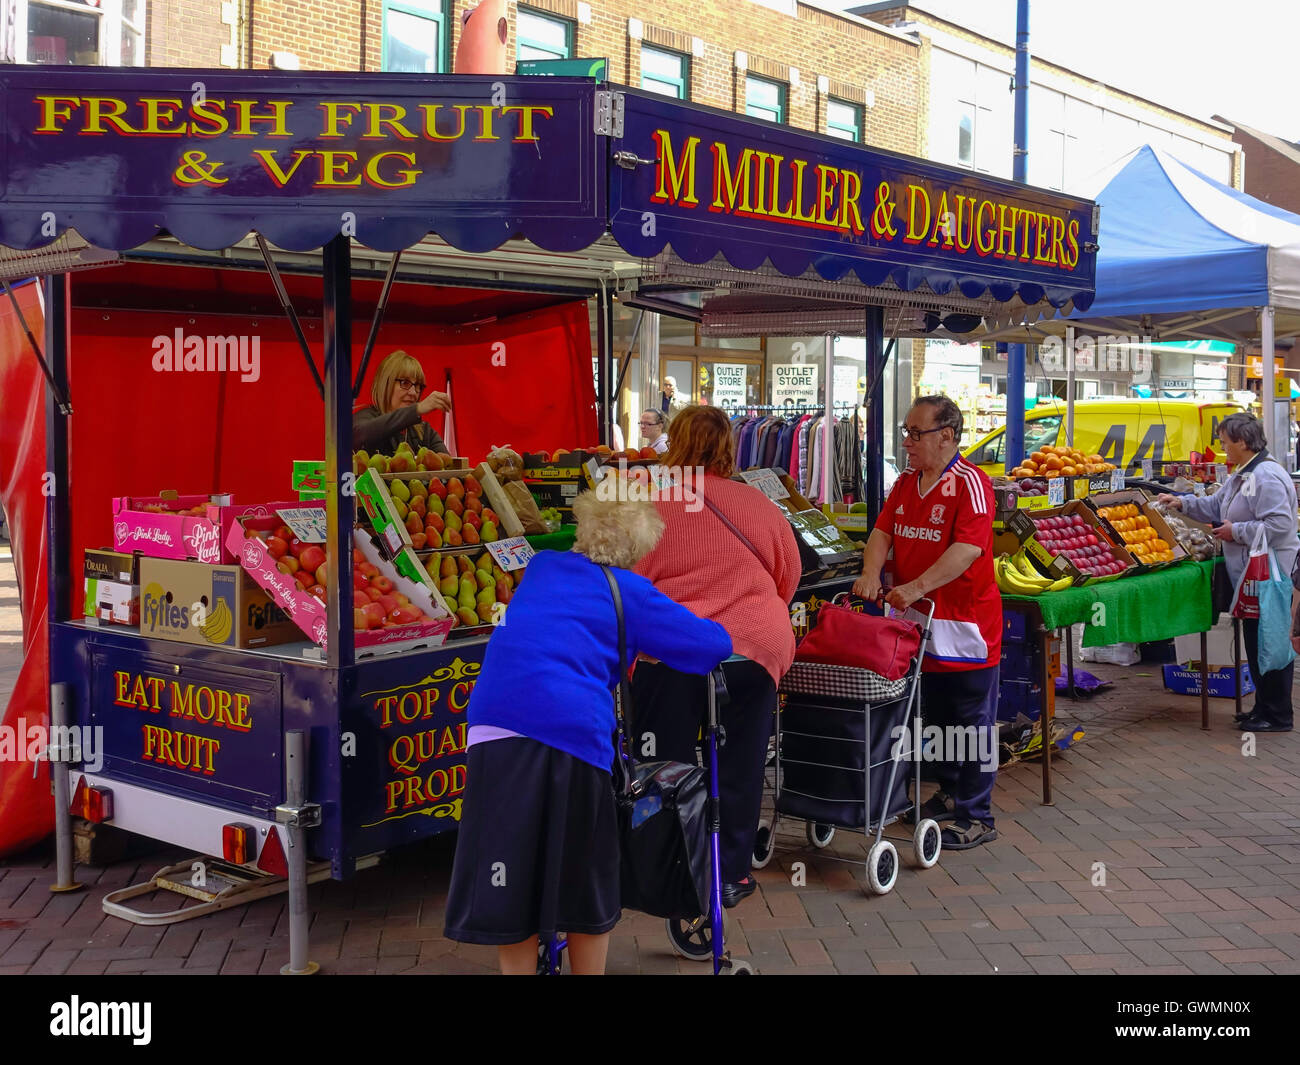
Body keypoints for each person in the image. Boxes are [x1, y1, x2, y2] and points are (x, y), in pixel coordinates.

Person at [443, 488, 732, 974]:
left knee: (511, 871)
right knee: (584, 874)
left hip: (494, 726)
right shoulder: (631, 592)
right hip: (571, 731)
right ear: (638, 552)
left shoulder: (542, 567)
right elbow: (710, 647)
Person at [632, 405, 802, 907]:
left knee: (664, 763)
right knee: (744, 761)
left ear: (675, 445)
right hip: (754, 651)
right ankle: (730, 874)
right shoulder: (759, 504)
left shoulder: (655, 507)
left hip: (677, 652)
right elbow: (788, 577)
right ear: (730, 447)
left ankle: (670, 869)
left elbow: (632, 590)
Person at [852, 395, 1002, 850]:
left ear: (948, 436)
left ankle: (977, 815)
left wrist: (915, 586)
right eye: (906, 431)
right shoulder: (905, 483)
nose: (907, 441)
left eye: (916, 433)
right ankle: (951, 793)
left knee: (972, 721)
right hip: (916, 626)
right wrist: (870, 572)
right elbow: (882, 531)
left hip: (964, 625)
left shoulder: (971, 483)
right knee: (935, 717)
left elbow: (968, 550)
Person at [1159, 412, 1299, 732]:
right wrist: (1181, 503)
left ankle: (1278, 716)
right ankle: (1262, 708)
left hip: (1270, 576)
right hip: (1252, 577)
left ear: (1244, 442)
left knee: (1271, 642)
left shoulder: (1266, 476)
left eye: (1225, 442)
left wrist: (1236, 531)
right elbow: (1214, 506)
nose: (1223, 449)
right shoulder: (1242, 475)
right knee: (1256, 640)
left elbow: (1279, 526)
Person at [353, 350, 452, 455]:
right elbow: (361, 435)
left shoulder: (424, 432)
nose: (413, 393)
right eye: (405, 383)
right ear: (386, 384)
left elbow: (448, 465)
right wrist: (417, 409)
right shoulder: (364, 418)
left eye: (418, 386)